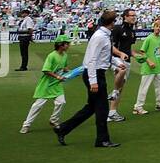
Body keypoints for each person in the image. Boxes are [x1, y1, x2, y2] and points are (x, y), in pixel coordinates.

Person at [55, 10, 120, 148]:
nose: (115, 23)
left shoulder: (103, 35)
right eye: (114, 21)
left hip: (97, 73)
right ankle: (102, 139)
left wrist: (117, 63)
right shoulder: (100, 37)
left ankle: (63, 129)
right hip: (95, 74)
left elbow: (103, 56)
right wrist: (94, 81)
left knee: (91, 107)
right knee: (102, 108)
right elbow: (92, 60)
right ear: (111, 22)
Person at [21, 36, 70, 133]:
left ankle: (54, 120)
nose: (69, 45)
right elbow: (46, 70)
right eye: (67, 43)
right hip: (47, 84)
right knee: (37, 105)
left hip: (57, 84)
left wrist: (71, 72)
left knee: (61, 102)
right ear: (61, 45)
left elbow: (64, 68)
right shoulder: (51, 56)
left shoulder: (65, 55)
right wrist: (57, 77)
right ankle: (26, 125)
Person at [132, 17, 160, 115]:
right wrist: (149, 61)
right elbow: (142, 52)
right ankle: (138, 107)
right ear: (153, 26)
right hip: (148, 68)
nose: (158, 28)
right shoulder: (149, 38)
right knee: (144, 87)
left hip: (158, 68)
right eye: (157, 26)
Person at [108, 8, 138, 123]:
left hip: (127, 61)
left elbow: (129, 49)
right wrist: (120, 54)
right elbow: (111, 46)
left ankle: (112, 113)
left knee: (121, 88)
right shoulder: (117, 29)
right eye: (131, 15)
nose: (133, 17)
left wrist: (138, 56)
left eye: (134, 15)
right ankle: (113, 94)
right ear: (125, 16)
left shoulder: (132, 31)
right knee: (121, 73)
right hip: (116, 59)